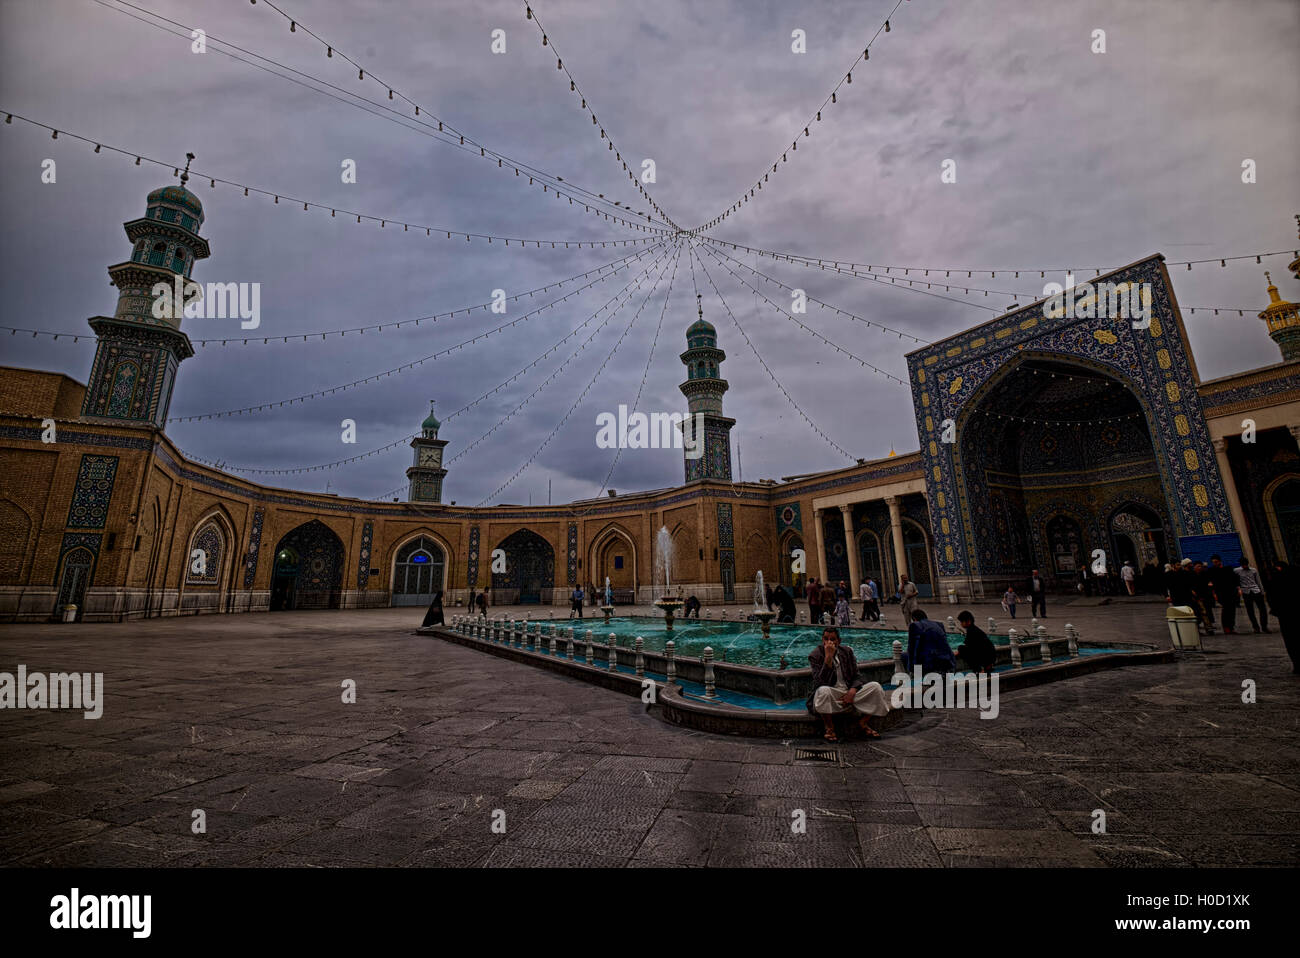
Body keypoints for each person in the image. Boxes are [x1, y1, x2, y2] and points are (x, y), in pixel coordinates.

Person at [806, 626, 890, 742]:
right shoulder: (815, 655)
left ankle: (863, 722)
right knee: (823, 691)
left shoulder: (847, 652)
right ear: (822, 640)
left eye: (833, 639)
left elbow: (857, 676)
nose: (829, 642)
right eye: (826, 639)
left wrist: (852, 691)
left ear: (839, 641)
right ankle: (829, 727)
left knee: (876, 687)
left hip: (849, 692)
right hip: (832, 693)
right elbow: (820, 682)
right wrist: (828, 658)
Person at [1267, 561, 1300, 673]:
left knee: (1290, 640)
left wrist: (1276, 610)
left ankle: (1297, 664)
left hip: (1284, 614)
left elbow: (1270, 597)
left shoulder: (1275, 580)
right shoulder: (1294, 576)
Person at [905, 609, 957, 675]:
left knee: (904, 656)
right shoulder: (938, 625)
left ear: (914, 619)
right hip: (947, 663)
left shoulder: (915, 625)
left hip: (930, 665)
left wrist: (911, 669)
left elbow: (911, 649)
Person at [1208, 555, 1240, 635]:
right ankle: (1226, 627)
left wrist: (1238, 589)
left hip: (1231, 592)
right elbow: (1211, 583)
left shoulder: (1228, 569)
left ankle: (1231, 626)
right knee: (1226, 609)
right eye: (1213, 562)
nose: (1215, 564)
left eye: (1216, 562)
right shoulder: (1212, 571)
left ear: (1219, 561)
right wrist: (1214, 593)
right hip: (1221, 593)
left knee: (1232, 609)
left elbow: (1235, 579)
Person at [1236, 557, 1268, 634]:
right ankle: (1255, 627)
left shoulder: (1254, 570)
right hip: (1246, 592)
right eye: (1243, 565)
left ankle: (1264, 626)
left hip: (1256, 590)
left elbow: (1258, 581)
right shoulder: (1237, 571)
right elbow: (1235, 581)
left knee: (1262, 609)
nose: (1245, 566)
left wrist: (1262, 592)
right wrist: (1238, 589)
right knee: (1250, 611)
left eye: (1246, 565)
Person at [1191, 561, 1216, 634]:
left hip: (1205, 595)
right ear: (1194, 567)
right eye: (1198, 566)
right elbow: (1190, 586)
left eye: (1200, 566)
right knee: (1202, 612)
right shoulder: (1192, 575)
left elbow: (1208, 584)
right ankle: (1206, 627)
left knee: (1207, 612)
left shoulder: (1204, 574)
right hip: (1196, 596)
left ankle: (1208, 627)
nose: (1200, 568)